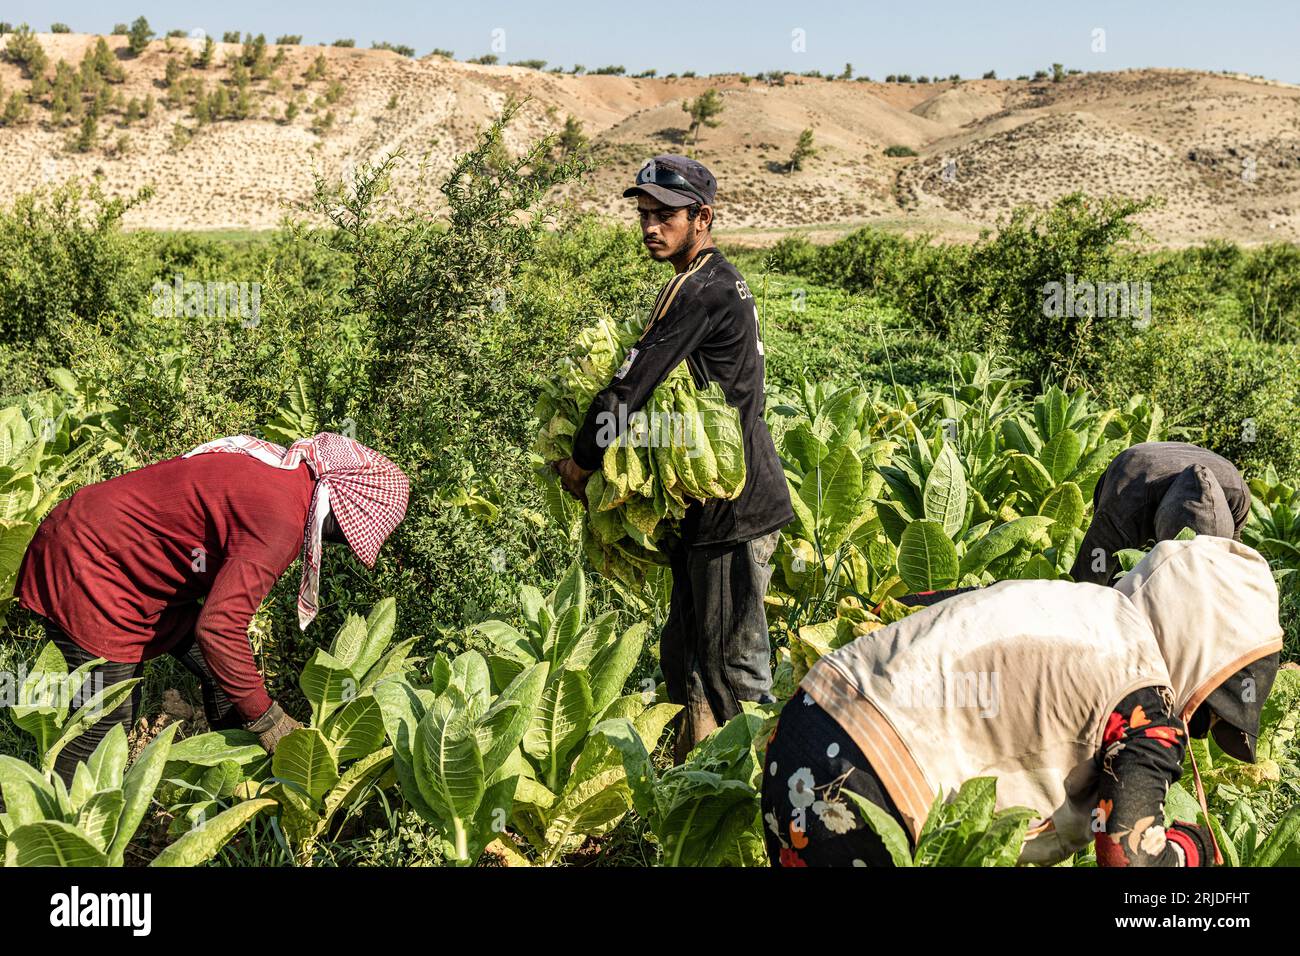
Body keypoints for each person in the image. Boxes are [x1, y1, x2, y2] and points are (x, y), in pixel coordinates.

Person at [761, 536, 1282, 867]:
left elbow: (925, 608)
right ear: (1204, 655)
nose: (1193, 728)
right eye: (1208, 711)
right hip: (868, 787)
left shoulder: (1069, 603)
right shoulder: (1145, 699)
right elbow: (1129, 862)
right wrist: (1192, 850)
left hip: (802, 733)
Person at [552, 155, 794, 761]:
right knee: (687, 653)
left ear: (702, 218)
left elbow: (627, 391)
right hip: (711, 507)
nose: (650, 228)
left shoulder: (700, 290)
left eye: (665, 216)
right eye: (644, 215)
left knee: (732, 668)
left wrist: (582, 463)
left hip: (732, 508)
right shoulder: (713, 279)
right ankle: (694, 784)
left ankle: (751, 805)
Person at [14, 432, 409, 784]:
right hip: (90, 569)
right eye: (345, 536)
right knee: (103, 727)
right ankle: (36, 826)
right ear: (337, 513)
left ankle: (229, 776)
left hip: (124, 563)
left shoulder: (286, 476)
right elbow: (218, 629)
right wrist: (268, 719)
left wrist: (253, 707)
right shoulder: (281, 520)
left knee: (225, 675)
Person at [1070, 441, 1250, 584]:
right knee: (1108, 574)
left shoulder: (1237, 494)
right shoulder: (1121, 507)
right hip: (1134, 466)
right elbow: (1090, 578)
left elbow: (1234, 559)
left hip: (1216, 467)